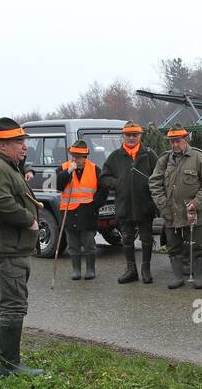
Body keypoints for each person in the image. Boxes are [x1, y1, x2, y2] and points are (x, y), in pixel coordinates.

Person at [0, 118, 42, 376]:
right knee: (12, 305)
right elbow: (0, 202)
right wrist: (29, 220)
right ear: (2, 144)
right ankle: (10, 365)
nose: (24, 147)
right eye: (18, 142)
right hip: (7, 248)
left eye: (23, 142)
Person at [149, 127, 202, 290]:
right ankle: (178, 278)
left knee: (197, 246)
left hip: (193, 211)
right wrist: (163, 205)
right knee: (174, 246)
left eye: (178, 140)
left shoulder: (199, 157)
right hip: (170, 212)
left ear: (186, 139)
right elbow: (154, 183)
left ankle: (197, 277)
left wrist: (196, 203)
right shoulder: (164, 160)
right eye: (172, 141)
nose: (175, 144)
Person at [100, 121, 157, 284]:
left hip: (145, 205)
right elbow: (103, 178)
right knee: (127, 238)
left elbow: (160, 174)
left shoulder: (149, 154)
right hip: (125, 205)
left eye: (135, 134)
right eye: (128, 135)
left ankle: (146, 269)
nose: (131, 138)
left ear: (140, 135)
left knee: (146, 238)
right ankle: (131, 270)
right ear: (123, 136)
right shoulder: (115, 156)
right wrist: (117, 183)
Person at [57, 139, 102, 281]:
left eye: (78, 156)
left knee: (89, 242)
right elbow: (59, 186)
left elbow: (103, 190)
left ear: (85, 157)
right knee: (72, 243)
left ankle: (90, 269)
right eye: (73, 155)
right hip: (69, 212)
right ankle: (76, 270)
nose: (75, 159)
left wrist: (95, 205)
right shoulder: (63, 168)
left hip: (87, 212)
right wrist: (67, 172)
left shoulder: (95, 169)